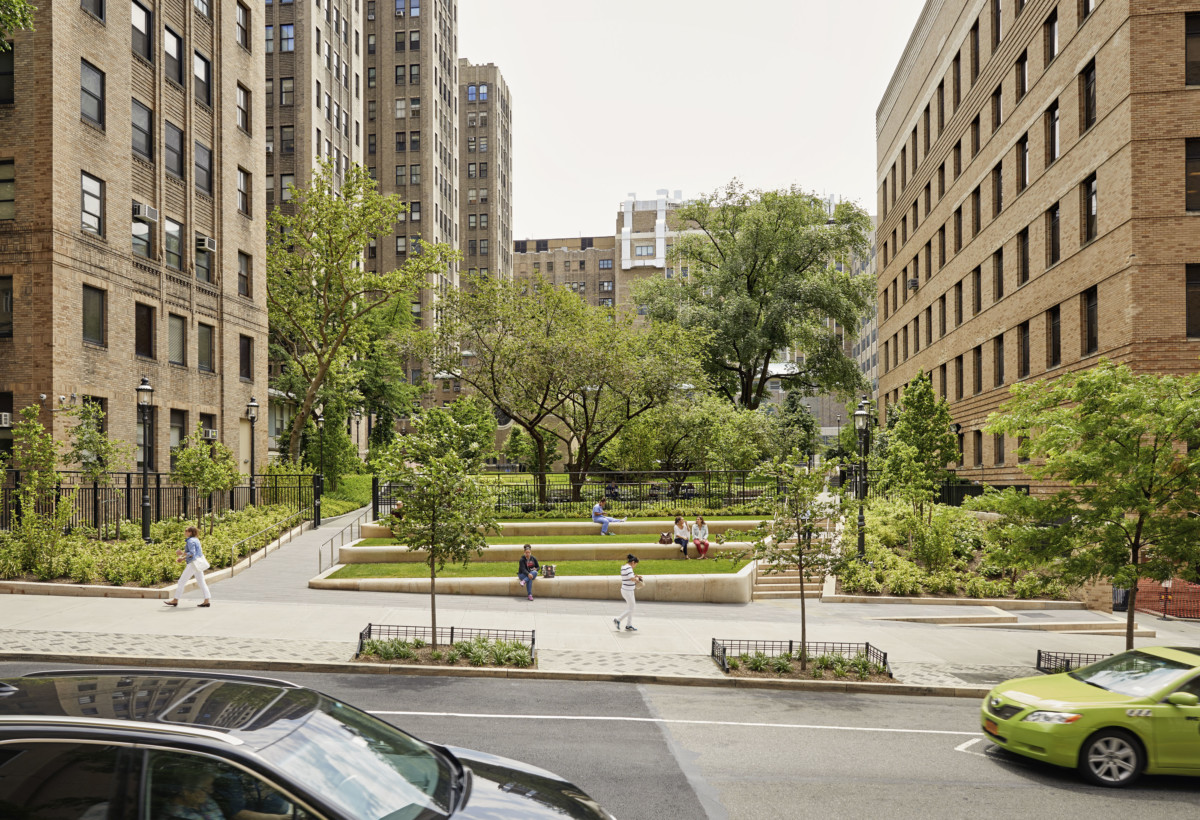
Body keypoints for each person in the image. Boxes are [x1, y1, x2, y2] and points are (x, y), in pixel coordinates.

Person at [164, 526, 211, 608]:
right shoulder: (196, 540)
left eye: (186, 531)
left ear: (190, 532)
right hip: (197, 563)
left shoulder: (190, 541)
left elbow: (192, 553)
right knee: (201, 582)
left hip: (193, 564)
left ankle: (175, 600)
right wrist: (182, 559)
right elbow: (195, 554)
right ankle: (207, 600)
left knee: (181, 581)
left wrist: (181, 553)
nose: (185, 532)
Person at [159, 768, 225, 820]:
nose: (210, 792)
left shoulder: (207, 800)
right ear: (186, 792)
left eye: (209, 787)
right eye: (203, 788)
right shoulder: (175, 814)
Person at [613, 554, 641, 632]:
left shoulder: (624, 567)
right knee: (632, 608)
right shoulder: (629, 568)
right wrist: (637, 580)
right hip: (628, 591)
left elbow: (629, 576)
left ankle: (629, 625)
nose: (635, 566)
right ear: (633, 562)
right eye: (635, 564)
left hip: (627, 590)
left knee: (631, 608)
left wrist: (636, 576)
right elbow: (631, 578)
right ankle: (618, 620)